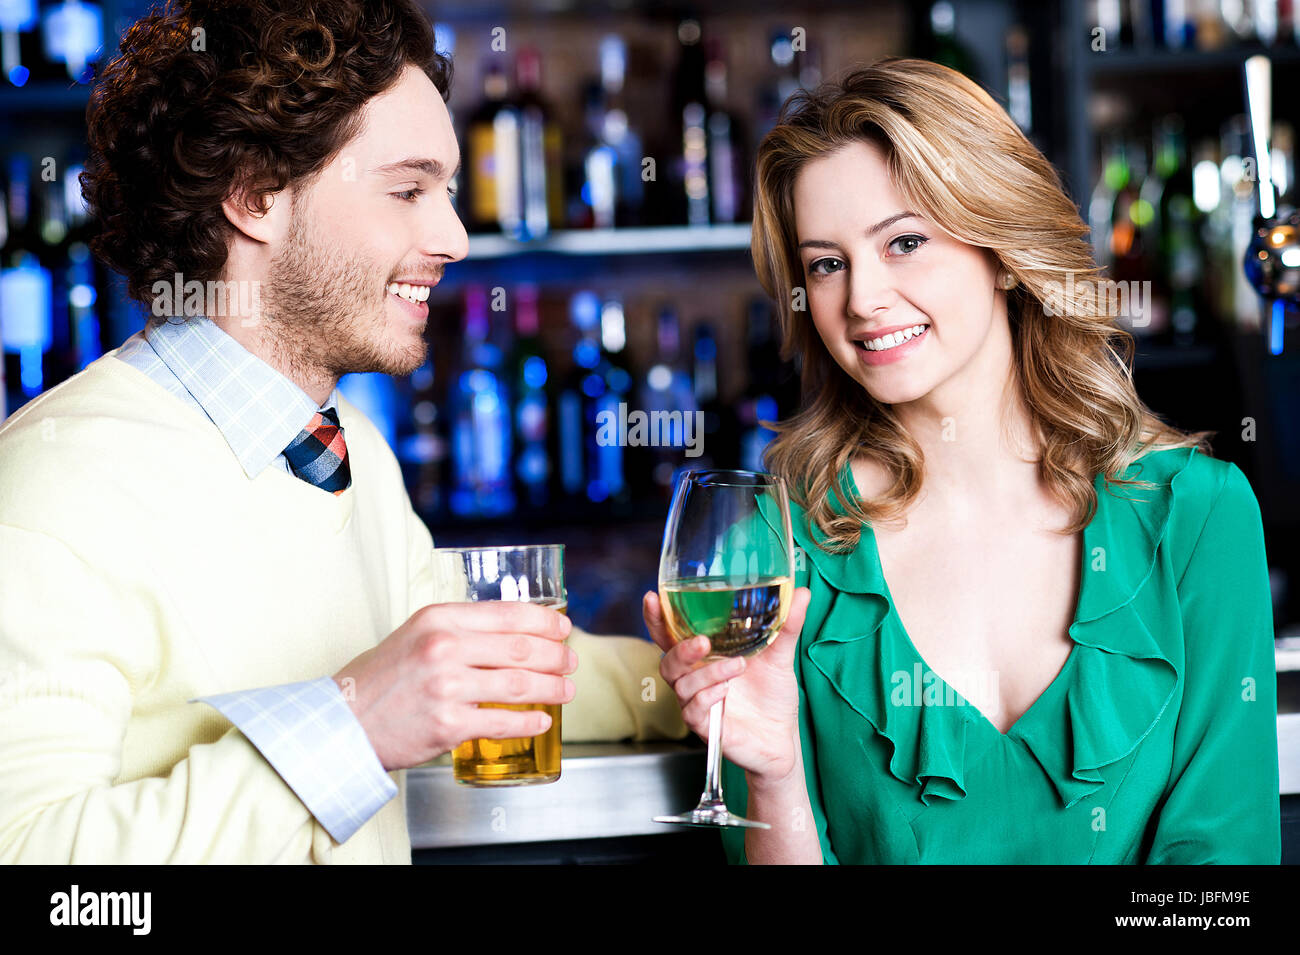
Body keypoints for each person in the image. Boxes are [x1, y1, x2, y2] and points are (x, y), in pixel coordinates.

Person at [0, 0, 684, 865]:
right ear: (254, 195)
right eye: (408, 190)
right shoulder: (53, 488)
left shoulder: (339, 445)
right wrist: (354, 722)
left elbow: (480, 672)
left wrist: (688, 683)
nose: (456, 237)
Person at [644, 58, 1280, 864]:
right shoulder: (782, 546)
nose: (863, 299)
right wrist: (773, 773)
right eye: (826, 263)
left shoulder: (1195, 513)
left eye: (905, 242)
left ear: (1005, 248)